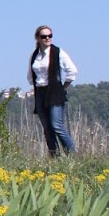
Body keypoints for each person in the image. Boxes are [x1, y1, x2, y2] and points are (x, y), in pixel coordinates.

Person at [27, 25, 78, 157]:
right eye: (44, 36)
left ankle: (72, 155)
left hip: (54, 92)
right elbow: (30, 76)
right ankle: (55, 157)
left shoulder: (58, 52)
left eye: (50, 36)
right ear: (38, 38)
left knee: (57, 126)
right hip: (40, 92)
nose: (47, 38)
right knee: (47, 129)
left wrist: (62, 87)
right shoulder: (34, 55)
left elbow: (72, 71)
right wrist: (36, 89)